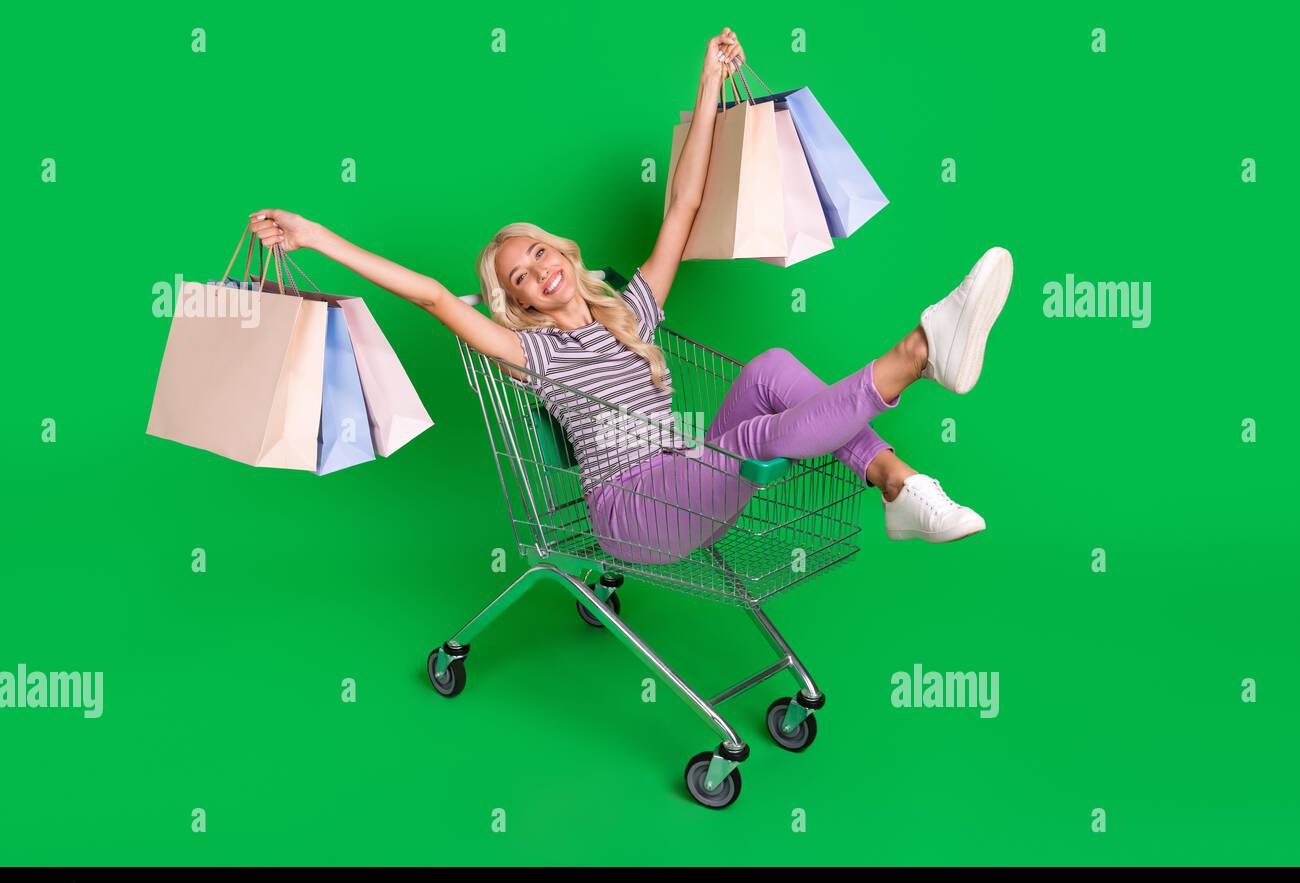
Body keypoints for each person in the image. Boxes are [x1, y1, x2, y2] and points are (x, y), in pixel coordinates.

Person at [248, 27, 1013, 566]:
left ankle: (900, 485)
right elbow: (430, 300)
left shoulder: (631, 311)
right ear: (518, 302)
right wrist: (318, 235)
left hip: (686, 480)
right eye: (517, 277)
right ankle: (917, 353)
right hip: (633, 514)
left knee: (772, 367)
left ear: (563, 253)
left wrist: (709, 84)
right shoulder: (533, 354)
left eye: (539, 252)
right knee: (747, 444)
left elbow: (682, 206)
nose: (536, 271)